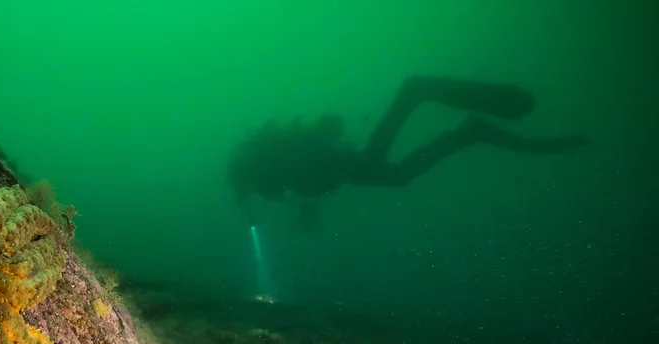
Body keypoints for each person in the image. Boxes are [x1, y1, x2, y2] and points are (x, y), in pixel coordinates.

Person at [228, 77, 589, 225]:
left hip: (332, 164)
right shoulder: (260, 171)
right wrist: (304, 208)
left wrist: (280, 207)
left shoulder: (256, 171)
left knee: (391, 170)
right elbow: (290, 194)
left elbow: (278, 190)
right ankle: (469, 132)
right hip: (334, 167)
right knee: (398, 176)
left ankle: (419, 93)